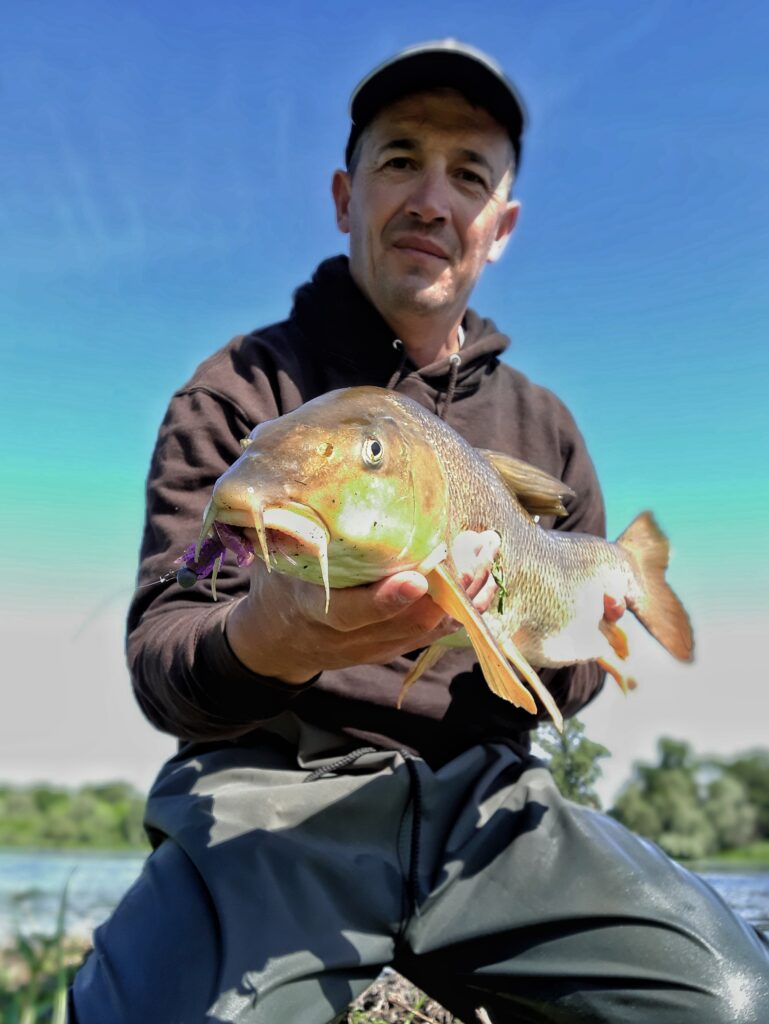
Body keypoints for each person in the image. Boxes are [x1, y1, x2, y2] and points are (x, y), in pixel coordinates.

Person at [71, 40, 769, 1024]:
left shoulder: (546, 427)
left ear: (501, 225)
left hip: (487, 799)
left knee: (735, 1001)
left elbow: (557, 695)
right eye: (400, 159)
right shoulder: (238, 398)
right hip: (271, 790)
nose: (432, 200)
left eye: (468, 174)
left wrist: (568, 636)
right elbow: (162, 656)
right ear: (343, 195)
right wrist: (276, 636)